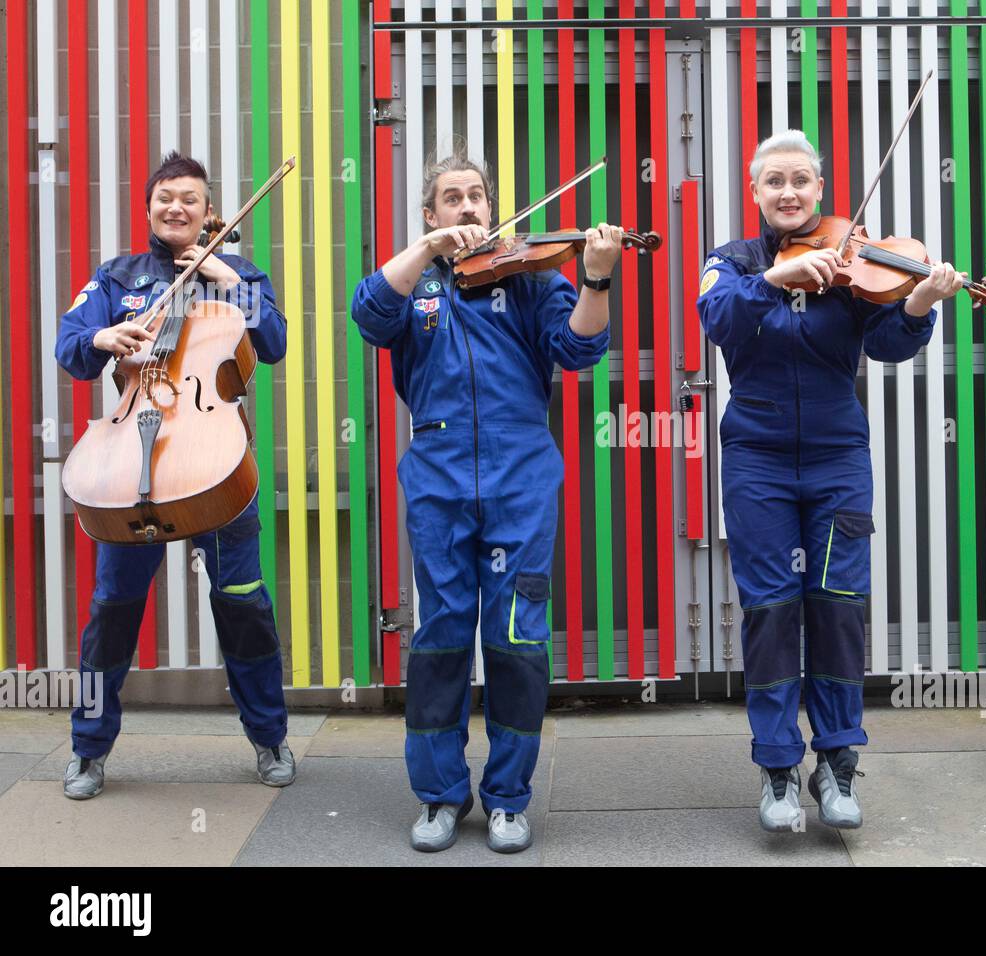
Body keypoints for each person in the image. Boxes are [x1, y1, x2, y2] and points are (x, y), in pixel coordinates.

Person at [351, 154, 623, 853]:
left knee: (518, 639)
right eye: (452, 198)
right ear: (431, 214)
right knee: (440, 638)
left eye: (477, 196)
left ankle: (507, 798)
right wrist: (425, 253)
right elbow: (367, 312)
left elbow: (580, 347)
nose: (467, 207)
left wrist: (596, 275)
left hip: (521, 473)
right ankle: (439, 796)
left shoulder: (529, 274)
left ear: (492, 207)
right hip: (438, 475)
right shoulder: (414, 285)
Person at [696, 130, 963, 831]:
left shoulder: (852, 257)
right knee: (772, 611)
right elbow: (718, 320)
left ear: (820, 190)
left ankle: (838, 763)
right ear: (755, 193)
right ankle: (778, 769)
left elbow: (889, 344)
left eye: (802, 180)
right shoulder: (731, 261)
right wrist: (780, 277)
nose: (789, 192)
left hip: (838, 455)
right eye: (774, 181)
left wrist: (918, 303)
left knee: (839, 607)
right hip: (756, 459)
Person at [55, 151, 294, 799]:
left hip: (214, 465)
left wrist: (219, 272)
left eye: (189, 199)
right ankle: (88, 748)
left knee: (244, 606)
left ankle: (270, 738)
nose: (176, 208)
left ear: (209, 211)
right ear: (150, 209)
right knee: (111, 611)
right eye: (165, 198)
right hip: (130, 457)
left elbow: (272, 340)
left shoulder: (238, 274)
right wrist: (106, 340)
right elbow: (70, 344)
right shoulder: (118, 277)